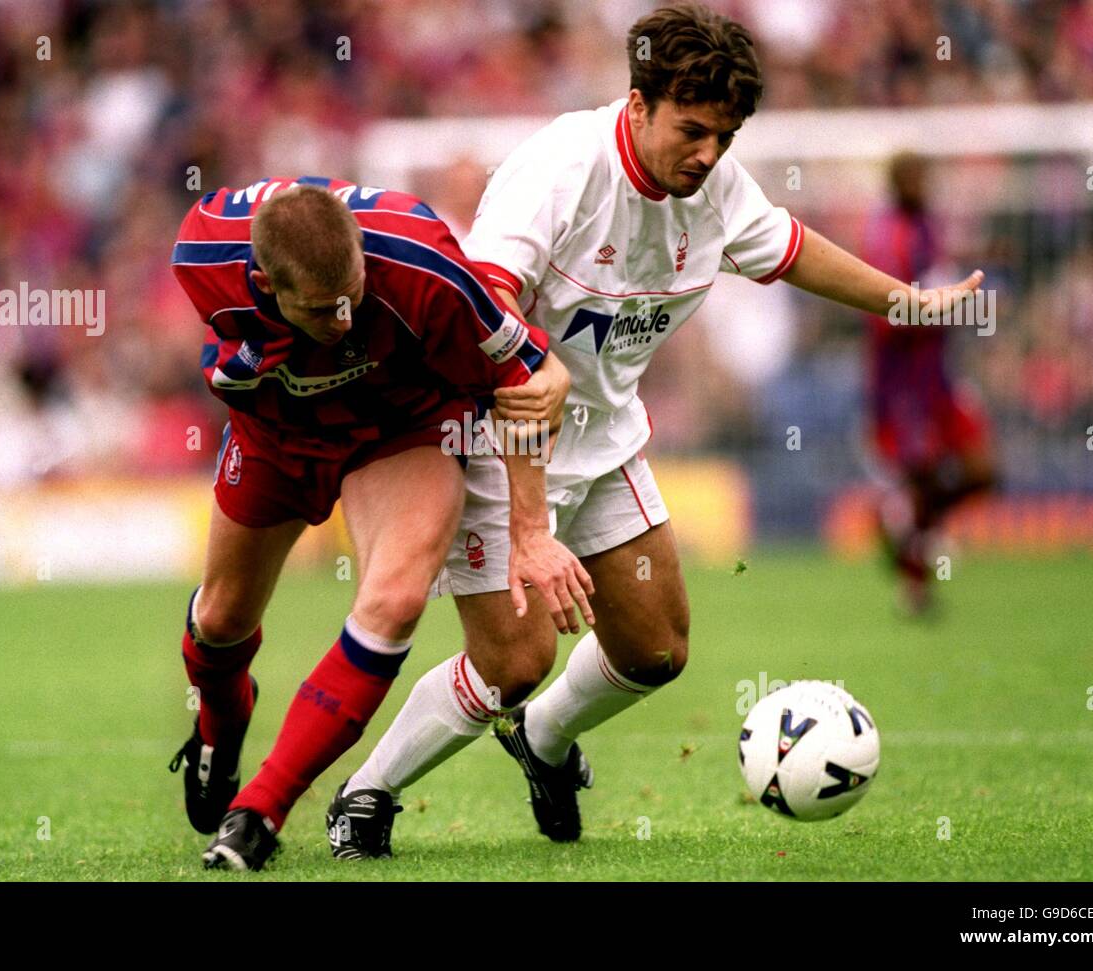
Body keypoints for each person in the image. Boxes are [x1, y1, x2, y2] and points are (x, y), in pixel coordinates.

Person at [327, 3, 985, 858]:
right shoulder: (556, 175)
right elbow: (490, 346)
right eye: (693, 130)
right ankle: (366, 790)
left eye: (726, 136)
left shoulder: (711, 187)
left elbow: (791, 248)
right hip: (492, 436)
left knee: (655, 649)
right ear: (637, 105)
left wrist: (907, 298)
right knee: (514, 662)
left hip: (603, 440)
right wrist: (529, 531)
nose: (708, 154)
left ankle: (544, 740)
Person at [167, 176, 591, 870]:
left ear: (363, 253)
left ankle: (261, 811)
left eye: (352, 295)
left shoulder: (424, 265)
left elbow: (527, 383)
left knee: (394, 600)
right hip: (277, 433)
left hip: (403, 426)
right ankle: (222, 723)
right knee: (219, 620)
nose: (341, 318)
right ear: (265, 285)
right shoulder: (201, 253)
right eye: (319, 308)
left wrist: (530, 531)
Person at [861, 153, 996, 614]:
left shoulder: (928, 227)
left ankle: (898, 521)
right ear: (897, 183)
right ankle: (915, 583)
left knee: (982, 471)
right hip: (902, 384)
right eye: (914, 177)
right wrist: (928, 307)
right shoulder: (887, 235)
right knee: (921, 480)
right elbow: (884, 314)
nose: (922, 185)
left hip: (938, 376)